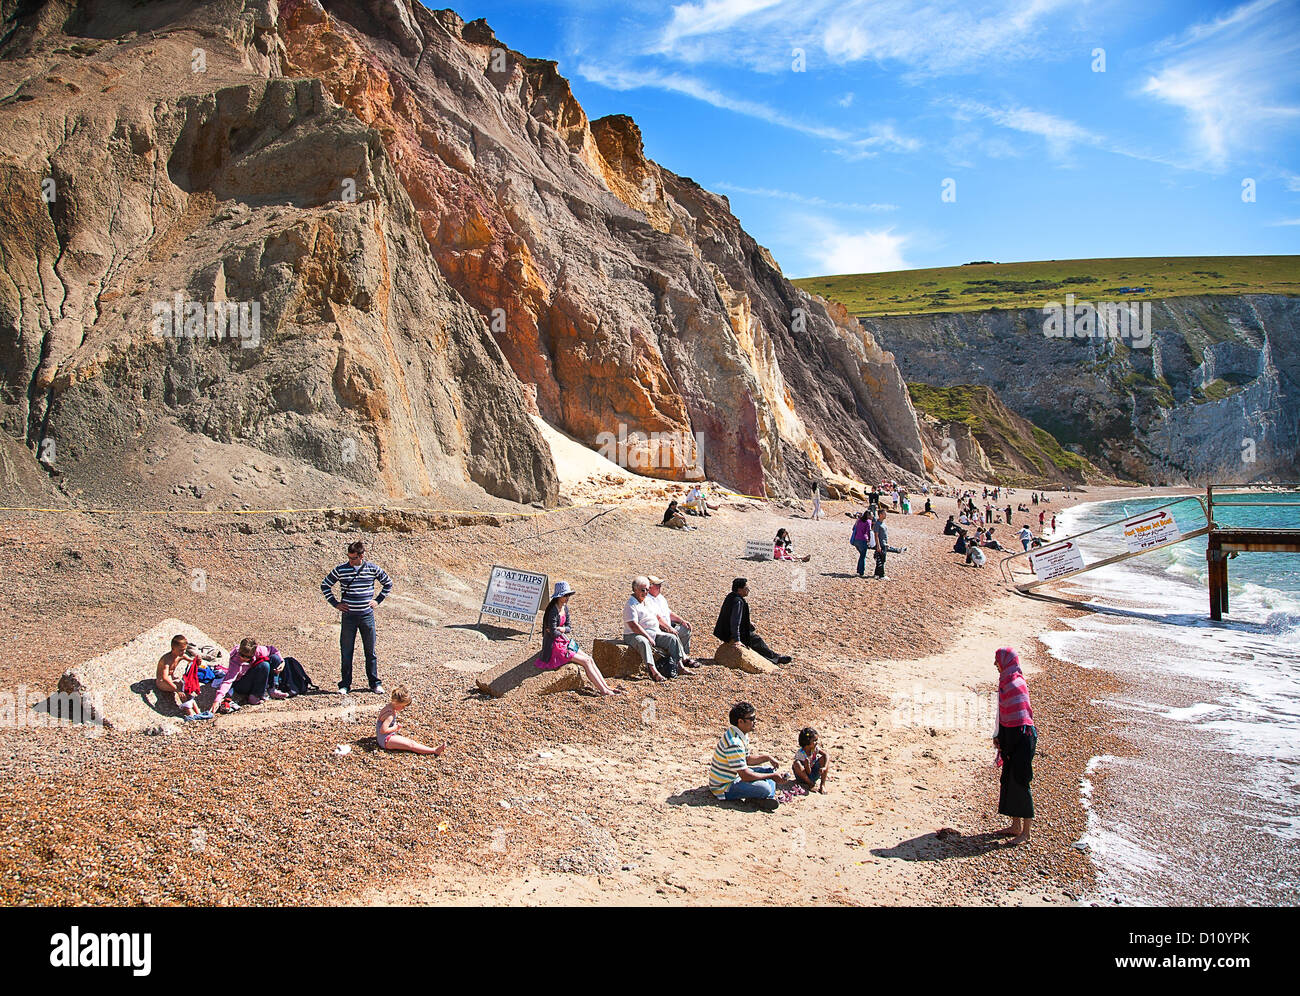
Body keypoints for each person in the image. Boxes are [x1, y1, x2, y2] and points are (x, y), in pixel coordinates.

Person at [321, 540, 392, 695]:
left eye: (353, 558)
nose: (351, 561)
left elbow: (388, 583)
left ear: (362, 555)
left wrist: (377, 600)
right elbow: (325, 585)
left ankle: (374, 683)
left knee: (370, 651)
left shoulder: (372, 568)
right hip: (349, 617)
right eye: (349, 557)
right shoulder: (341, 569)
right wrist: (335, 603)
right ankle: (345, 684)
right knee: (346, 651)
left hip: (367, 615)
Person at [539, 581, 623, 695]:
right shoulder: (553, 610)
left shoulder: (565, 608)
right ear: (559, 596)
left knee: (590, 658)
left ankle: (606, 687)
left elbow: (568, 627)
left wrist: (562, 629)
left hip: (563, 641)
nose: (567, 597)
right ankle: (603, 691)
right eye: (565, 595)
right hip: (555, 647)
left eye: (568, 595)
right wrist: (558, 630)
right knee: (586, 661)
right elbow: (553, 633)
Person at [992, 648, 1036, 846]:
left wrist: (1008, 739)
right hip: (1011, 736)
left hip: (1023, 739)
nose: (995, 665)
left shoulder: (1015, 682)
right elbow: (1003, 714)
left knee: (1021, 780)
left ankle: (1026, 832)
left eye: (997, 661)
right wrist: (999, 737)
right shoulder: (1005, 681)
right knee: (1008, 780)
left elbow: (1022, 717)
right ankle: (1015, 825)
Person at [707, 702, 784, 802]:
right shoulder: (735, 743)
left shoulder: (740, 733)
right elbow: (745, 775)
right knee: (765, 787)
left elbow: (747, 759)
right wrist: (772, 777)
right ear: (740, 721)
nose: (755, 721)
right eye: (751, 719)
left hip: (737, 776)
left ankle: (766, 798)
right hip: (724, 787)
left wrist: (767, 757)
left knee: (769, 770)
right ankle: (766, 796)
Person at [713, 578, 790, 665]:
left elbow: (732, 615)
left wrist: (748, 623)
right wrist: (737, 639)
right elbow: (735, 622)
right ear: (739, 590)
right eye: (746, 588)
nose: (748, 590)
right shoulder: (738, 602)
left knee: (751, 629)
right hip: (728, 632)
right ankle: (775, 658)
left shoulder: (731, 596)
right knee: (756, 639)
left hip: (722, 630)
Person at [623, 576, 682, 680]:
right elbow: (633, 625)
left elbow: (658, 617)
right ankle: (653, 671)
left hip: (653, 632)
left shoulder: (648, 601)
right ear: (635, 590)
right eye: (642, 590)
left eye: (647, 589)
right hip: (634, 634)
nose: (645, 592)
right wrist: (648, 637)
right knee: (643, 642)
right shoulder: (631, 604)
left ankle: (678, 665)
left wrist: (668, 627)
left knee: (672, 639)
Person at [212, 638, 278, 715]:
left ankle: (272, 688)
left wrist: (282, 662)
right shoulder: (235, 660)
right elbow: (228, 681)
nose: (244, 658)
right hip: (241, 684)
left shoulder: (259, 650)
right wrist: (217, 700)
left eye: (248, 657)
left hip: (251, 675)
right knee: (264, 665)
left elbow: (273, 650)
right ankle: (255, 696)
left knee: (275, 658)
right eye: (242, 655)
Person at [376, 686, 446, 755]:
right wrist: (395, 728)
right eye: (402, 706)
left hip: (382, 737)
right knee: (411, 744)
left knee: (409, 742)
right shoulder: (390, 715)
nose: (403, 708)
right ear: (396, 702)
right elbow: (383, 730)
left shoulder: (388, 706)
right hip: (385, 740)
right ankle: (434, 750)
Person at [155, 634, 210, 721]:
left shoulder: (181, 656)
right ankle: (190, 714)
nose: (183, 652)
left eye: (184, 650)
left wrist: (198, 661)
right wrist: (177, 690)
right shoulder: (166, 659)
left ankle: (198, 712)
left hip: (172, 679)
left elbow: (193, 663)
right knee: (181, 689)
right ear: (173, 649)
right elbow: (165, 677)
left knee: (186, 687)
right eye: (181, 650)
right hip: (162, 682)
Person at [646, 576, 697, 668]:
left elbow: (669, 613)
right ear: (649, 587)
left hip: (668, 625)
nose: (659, 587)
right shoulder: (647, 600)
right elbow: (657, 619)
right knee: (673, 635)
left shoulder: (660, 598)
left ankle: (684, 654)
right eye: (657, 585)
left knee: (686, 629)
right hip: (659, 629)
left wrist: (682, 621)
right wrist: (668, 628)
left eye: (660, 585)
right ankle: (684, 658)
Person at [792, 727, 829, 793]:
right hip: (804, 777)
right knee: (796, 763)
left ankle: (822, 785)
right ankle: (810, 784)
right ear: (807, 742)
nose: (816, 742)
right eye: (814, 741)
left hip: (813, 773)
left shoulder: (814, 749)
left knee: (824, 758)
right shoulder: (801, 754)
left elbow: (826, 755)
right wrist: (807, 765)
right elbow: (808, 772)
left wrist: (824, 767)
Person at [849, 510, 874, 577]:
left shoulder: (859, 520)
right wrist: (869, 540)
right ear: (868, 516)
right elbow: (868, 531)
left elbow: (853, 528)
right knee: (863, 556)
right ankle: (861, 571)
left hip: (856, 540)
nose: (873, 516)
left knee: (861, 555)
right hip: (863, 540)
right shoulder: (868, 522)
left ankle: (859, 570)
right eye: (872, 514)